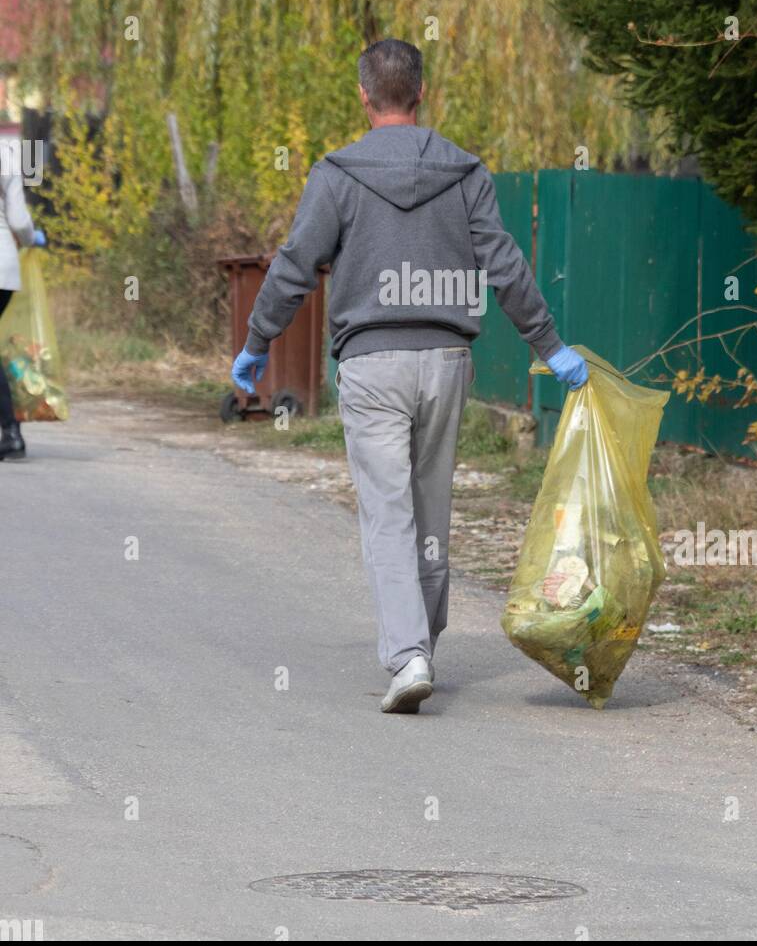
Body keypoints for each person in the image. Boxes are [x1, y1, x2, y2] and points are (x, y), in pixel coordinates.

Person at [231, 39, 587, 713]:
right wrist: (551, 345)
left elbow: (294, 265)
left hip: (370, 363)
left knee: (388, 516)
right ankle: (422, 640)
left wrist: (257, 343)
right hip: (447, 362)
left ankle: (409, 655)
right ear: (421, 93)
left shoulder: (337, 173)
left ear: (365, 97)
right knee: (429, 511)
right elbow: (505, 266)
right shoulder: (466, 172)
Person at [0, 132, 47, 461]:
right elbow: (18, 219)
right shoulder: (7, 154)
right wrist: (31, 238)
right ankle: (11, 433)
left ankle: (11, 432)